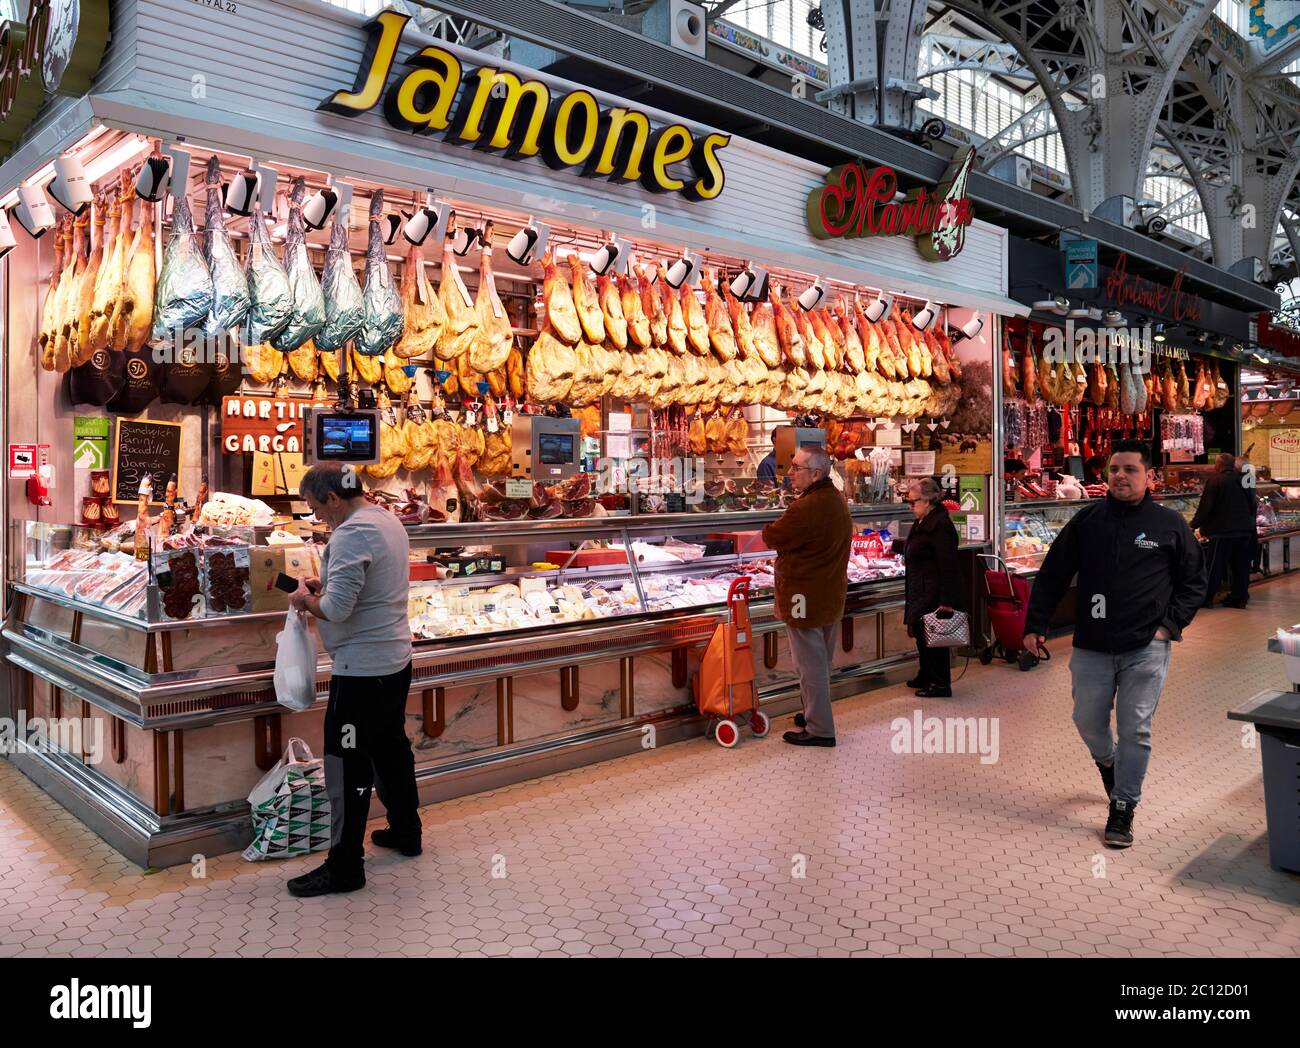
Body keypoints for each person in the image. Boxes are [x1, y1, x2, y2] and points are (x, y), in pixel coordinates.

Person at [1023, 440, 1205, 850]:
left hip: (1146, 647)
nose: (1120, 476)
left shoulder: (1169, 524)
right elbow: (1053, 574)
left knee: (1135, 729)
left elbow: (1195, 581)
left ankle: (1123, 805)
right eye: (1114, 470)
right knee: (1087, 720)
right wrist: (1035, 625)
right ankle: (1108, 764)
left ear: (1149, 476)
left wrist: (1169, 626)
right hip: (1092, 644)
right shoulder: (1088, 521)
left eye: (1130, 469)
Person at [285, 462, 420, 897]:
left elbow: (339, 610)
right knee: (390, 749)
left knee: (347, 766)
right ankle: (406, 830)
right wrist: (324, 582)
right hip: (394, 661)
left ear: (332, 498)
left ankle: (345, 867)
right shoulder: (385, 519)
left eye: (315, 507)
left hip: (361, 671)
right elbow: (365, 585)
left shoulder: (350, 534)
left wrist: (306, 601)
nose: (316, 516)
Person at [760, 445, 852, 747]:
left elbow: (773, 535)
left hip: (804, 596)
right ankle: (813, 713)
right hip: (828, 592)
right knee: (820, 660)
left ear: (815, 473)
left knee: (809, 664)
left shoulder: (807, 506)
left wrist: (768, 526)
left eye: (797, 467)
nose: (791, 473)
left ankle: (820, 729)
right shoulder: (835, 499)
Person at [892, 477, 962, 698]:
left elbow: (949, 565)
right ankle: (926, 674)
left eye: (914, 502)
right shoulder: (923, 520)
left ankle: (941, 683)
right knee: (922, 637)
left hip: (933, 591)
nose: (911, 507)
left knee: (934, 638)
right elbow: (917, 547)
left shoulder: (940, 525)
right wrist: (893, 545)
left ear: (929, 500)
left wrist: (947, 601)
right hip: (920, 589)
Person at [1190, 452, 1257, 608]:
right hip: (1244, 531)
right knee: (1240, 566)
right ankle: (1239, 598)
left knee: (1214, 566)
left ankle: (1206, 598)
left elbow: (1205, 507)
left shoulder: (1214, 481)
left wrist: (1193, 525)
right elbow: (1253, 504)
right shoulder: (1245, 480)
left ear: (1219, 465)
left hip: (1222, 532)